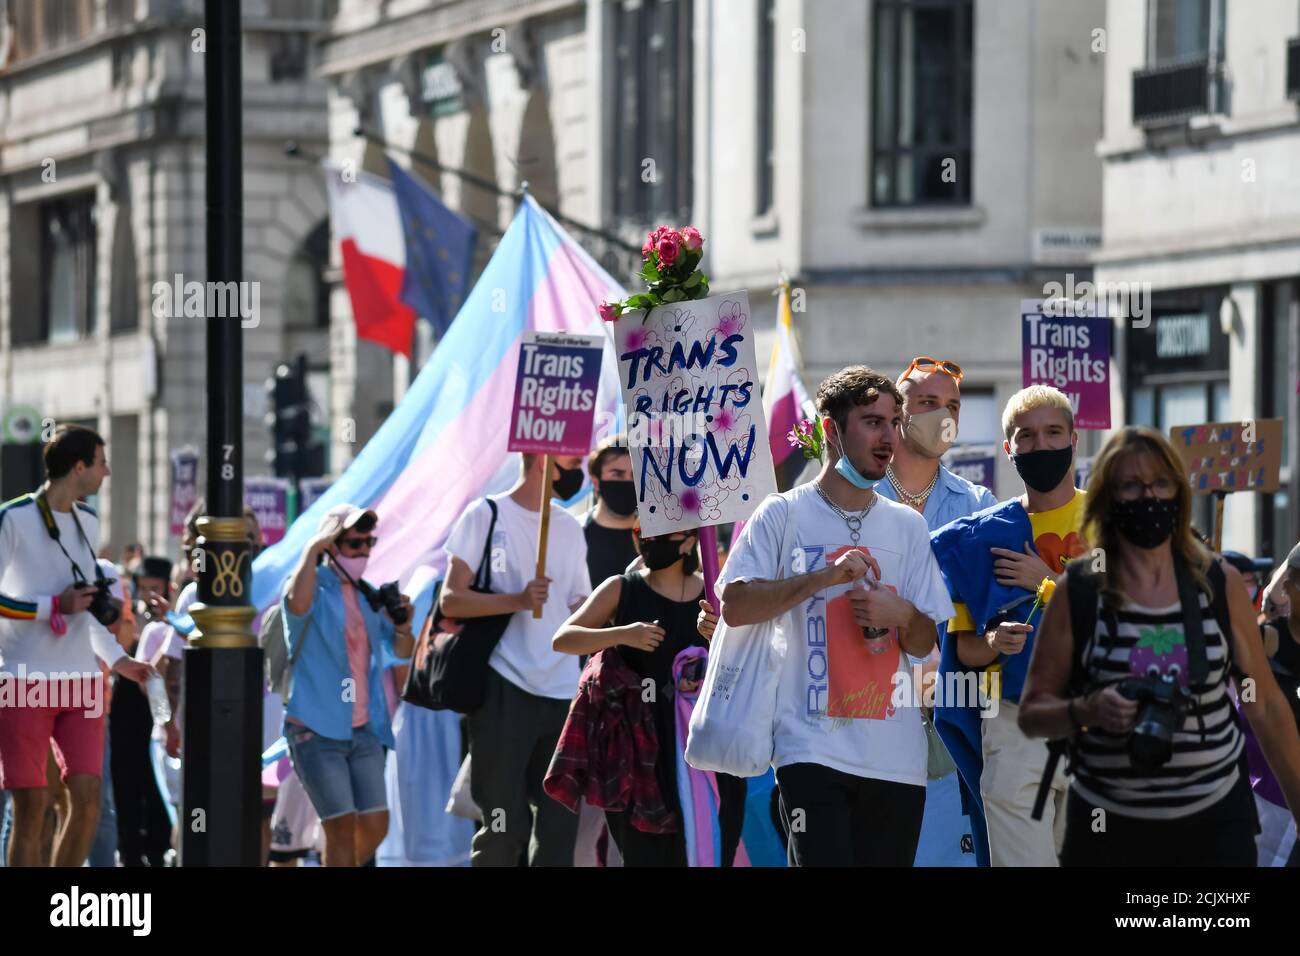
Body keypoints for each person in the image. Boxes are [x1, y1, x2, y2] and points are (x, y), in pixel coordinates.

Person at [1018, 426, 1300, 866]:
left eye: (1160, 483)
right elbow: (1034, 713)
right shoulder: (1080, 588)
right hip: (1109, 825)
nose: (1148, 496)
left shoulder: (1217, 582)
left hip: (1215, 825)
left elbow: (1265, 706)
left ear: (1180, 492)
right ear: (1108, 497)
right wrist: (1089, 710)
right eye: (1131, 485)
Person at [716, 366, 955, 867]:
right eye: (872, 422)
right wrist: (822, 580)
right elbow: (735, 606)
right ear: (830, 429)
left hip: (896, 761)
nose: (889, 436)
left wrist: (901, 612)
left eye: (894, 421)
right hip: (810, 753)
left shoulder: (907, 527)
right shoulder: (781, 514)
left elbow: (923, 642)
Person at [929, 384, 1086, 866]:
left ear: (1074, 439)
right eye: (1027, 436)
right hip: (1014, 724)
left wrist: (1048, 584)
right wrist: (993, 640)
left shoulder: (1116, 525)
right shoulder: (977, 540)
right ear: (1009, 449)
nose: (1041, 445)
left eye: (1053, 432)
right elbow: (966, 653)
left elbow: (1136, 629)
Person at [0, 424, 152, 867]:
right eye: (102, 462)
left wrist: (121, 661)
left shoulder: (89, 520)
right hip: (25, 679)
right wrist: (52, 605)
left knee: (88, 805)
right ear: (79, 466)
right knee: (32, 811)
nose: (107, 471)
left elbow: (82, 609)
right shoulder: (13, 517)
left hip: (82, 682)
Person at [440, 453, 592, 866]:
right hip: (502, 689)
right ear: (543, 459)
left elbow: (579, 603)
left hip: (563, 691)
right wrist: (518, 600)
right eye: (572, 459)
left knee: (558, 833)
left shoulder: (570, 529)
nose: (579, 467)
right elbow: (451, 599)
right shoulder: (484, 515)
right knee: (504, 829)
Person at [875, 356, 997, 867]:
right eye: (927, 403)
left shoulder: (980, 506)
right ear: (897, 413)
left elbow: (991, 614)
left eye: (952, 406)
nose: (942, 415)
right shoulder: (857, 499)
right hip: (868, 718)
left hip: (952, 717)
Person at [553, 528, 711, 865]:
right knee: (643, 854)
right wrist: (622, 634)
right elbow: (564, 639)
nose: (649, 541)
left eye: (660, 534)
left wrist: (722, 633)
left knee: (702, 851)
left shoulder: (713, 593)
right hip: (636, 752)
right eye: (643, 533)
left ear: (688, 541)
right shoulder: (621, 588)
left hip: (699, 751)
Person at [281, 504, 415, 867]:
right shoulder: (312, 585)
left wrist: (404, 625)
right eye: (355, 544)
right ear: (331, 546)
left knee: (376, 824)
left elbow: (401, 651)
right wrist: (311, 550)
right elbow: (296, 606)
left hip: (364, 730)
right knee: (340, 827)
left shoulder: (366, 595)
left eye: (369, 543)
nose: (365, 552)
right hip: (316, 729)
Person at [110, 555, 175, 867]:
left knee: (154, 785)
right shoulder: (128, 617)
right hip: (126, 712)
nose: (149, 594)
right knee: (126, 783)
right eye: (144, 587)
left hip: (157, 714)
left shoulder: (169, 620)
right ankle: (129, 850)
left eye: (156, 587)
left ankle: (158, 848)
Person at [582, 436, 639, 585]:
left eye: (635, 475)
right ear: (596, 482)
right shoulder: (575, 534)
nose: (628, 481)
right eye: (617, 474)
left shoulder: (655, 539)